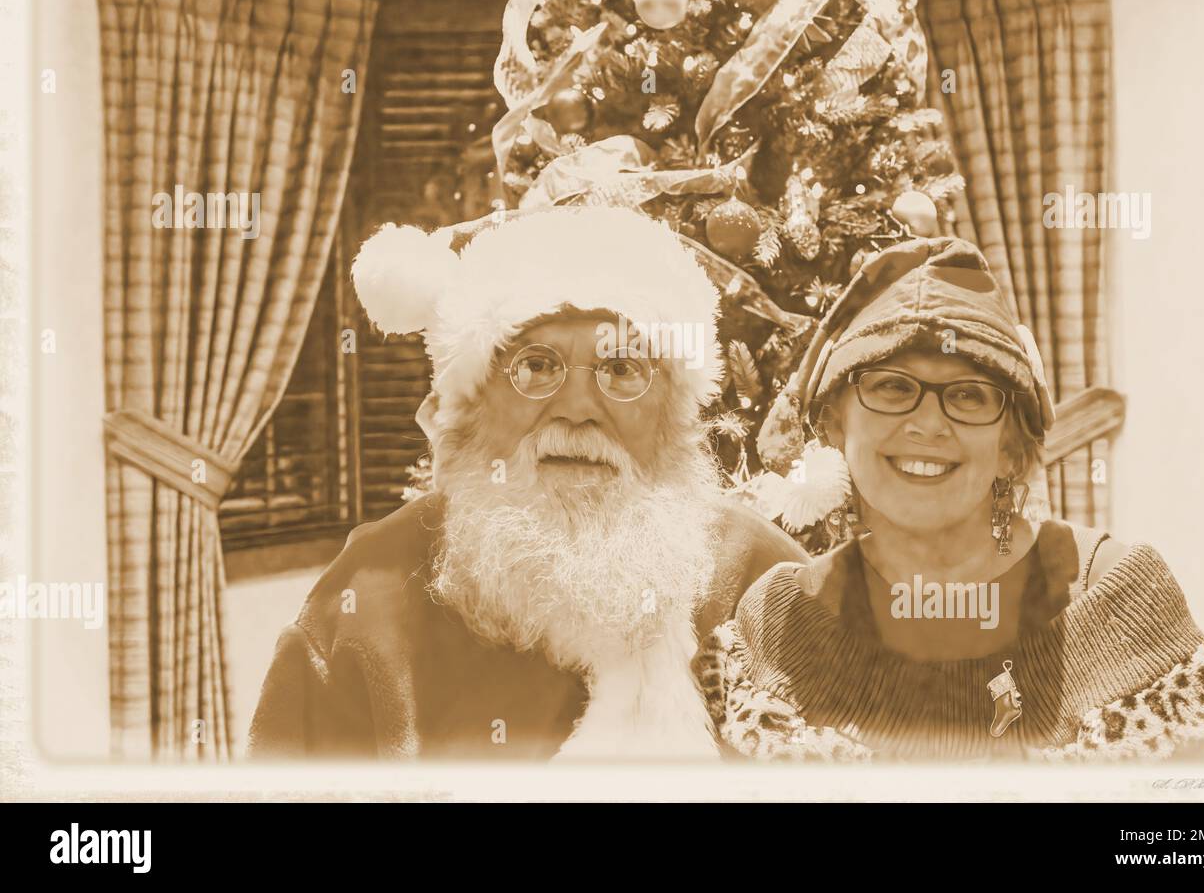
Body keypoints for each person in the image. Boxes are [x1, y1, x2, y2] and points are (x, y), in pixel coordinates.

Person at [247, 206, 807, 760]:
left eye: (622, 370)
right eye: (536, 367)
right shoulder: (366, 598)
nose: (579, 409)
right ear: (474, 403)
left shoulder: (764, 576)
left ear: (673, 413)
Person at [695, 236, 1204, 762]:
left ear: (1013, 446)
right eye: (892, 385)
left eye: (968, 395)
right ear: (835, 423)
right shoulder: (776, 622)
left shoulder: (1112, 596)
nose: (927, 423)